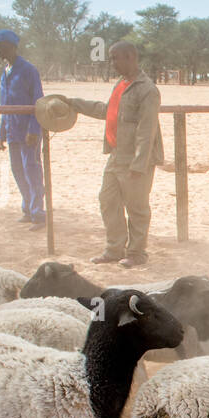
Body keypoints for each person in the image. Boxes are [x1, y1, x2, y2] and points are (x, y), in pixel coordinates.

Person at [58, 41, 163, 267]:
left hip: (135, 159)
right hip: (116, 155)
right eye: (111, 58)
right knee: (108, 201)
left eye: (116, 58)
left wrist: (139, 165)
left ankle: (136, 254)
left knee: (137, 207)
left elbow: (147, 130)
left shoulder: (148, 90)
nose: (112, 63)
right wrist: (74, 104)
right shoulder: (122, 84)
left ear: (130, 58)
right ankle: (114, 250)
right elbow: (107, 111)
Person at [0, 28, 46, 230]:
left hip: (28, 132)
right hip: (12, 131)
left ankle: (38, 214)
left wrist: (34, 129)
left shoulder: (29, 70)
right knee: (18, 170)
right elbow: (5, 105)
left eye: (0, 46)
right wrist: (1, 133)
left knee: (32, 171)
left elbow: (38, 101)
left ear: (11, 47)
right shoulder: (5, 73)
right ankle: (28, 209)